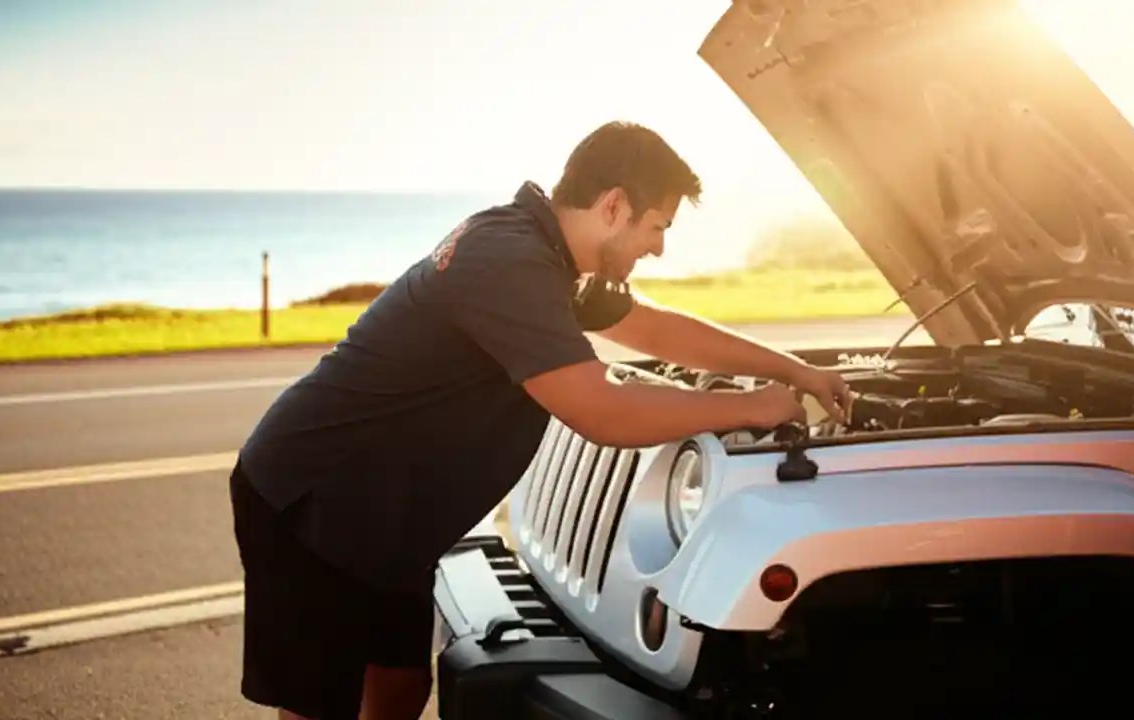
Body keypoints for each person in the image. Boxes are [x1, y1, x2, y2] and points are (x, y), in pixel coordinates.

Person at [229, 121, 852, 720]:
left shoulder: (550, 256)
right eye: (657, 226)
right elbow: (597, 408)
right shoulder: (510, 261)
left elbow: (654, 327)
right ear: (613, 205)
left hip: (385, 510)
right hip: (314, 499)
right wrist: (748, 407)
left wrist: (795, 370)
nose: (659, 246)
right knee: (321, 706)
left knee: (400, 685)